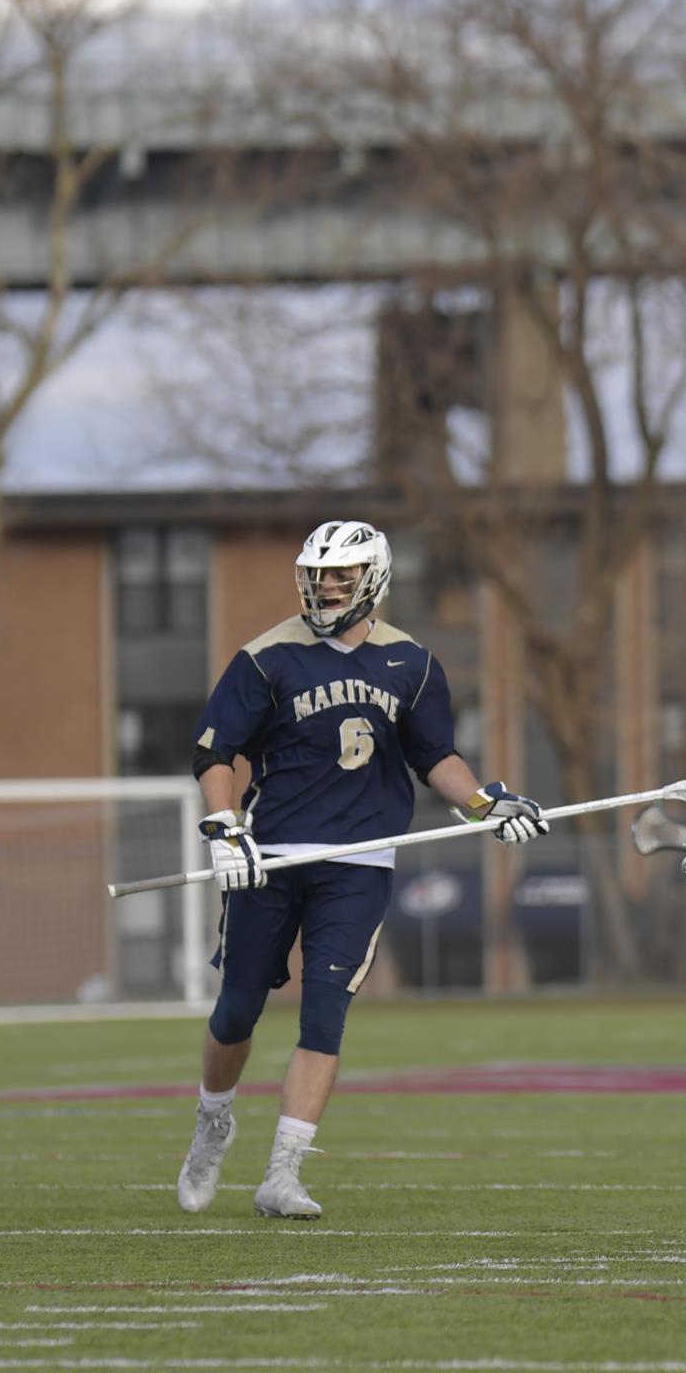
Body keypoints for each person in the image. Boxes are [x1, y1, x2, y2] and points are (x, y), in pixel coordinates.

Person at [176, 522, 547, 1219]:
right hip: (275, 855)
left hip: (359, 861)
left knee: (325, 1014)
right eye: (319, 575)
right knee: (237, 1009)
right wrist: (225, 828)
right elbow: (216, 752)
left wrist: (483, 803)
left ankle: (282, 1174)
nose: (326, 588)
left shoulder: (412, 663)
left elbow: (435, 757)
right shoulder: (267, 657)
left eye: (341, 576)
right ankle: (213, 1120)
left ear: (371, 578)